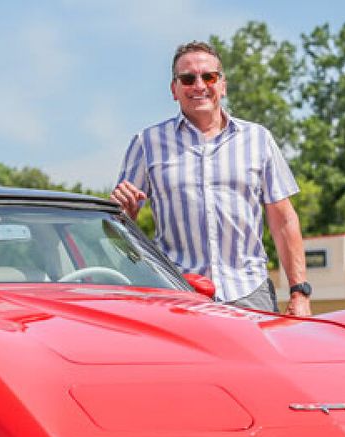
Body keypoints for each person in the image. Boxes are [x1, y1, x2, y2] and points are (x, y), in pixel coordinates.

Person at [111, 41, 312, 316]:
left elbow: (284, 220)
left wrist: (300, 292)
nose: (199, 85)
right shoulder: (147, 143)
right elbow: (118, 226)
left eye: (209, 76)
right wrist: (127, 215)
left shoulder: (258, 140)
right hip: (177, 297)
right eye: (187, 78)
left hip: (251, 294)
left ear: (223, 85)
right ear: (174, 89)